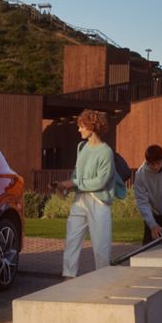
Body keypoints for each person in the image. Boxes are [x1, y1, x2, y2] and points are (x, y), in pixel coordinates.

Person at [57, 110, 115, 279]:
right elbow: (77, 174)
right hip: (80, 199)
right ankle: (68, 277)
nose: (79, 130)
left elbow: (100, 182)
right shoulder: (81, 147)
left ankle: (103, 279)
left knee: (101, 246)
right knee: (72, 240)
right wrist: (66, 186)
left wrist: (74, 183)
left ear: (92, 127)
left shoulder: (106, 152)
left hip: (99, 202)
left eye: (81, 126)